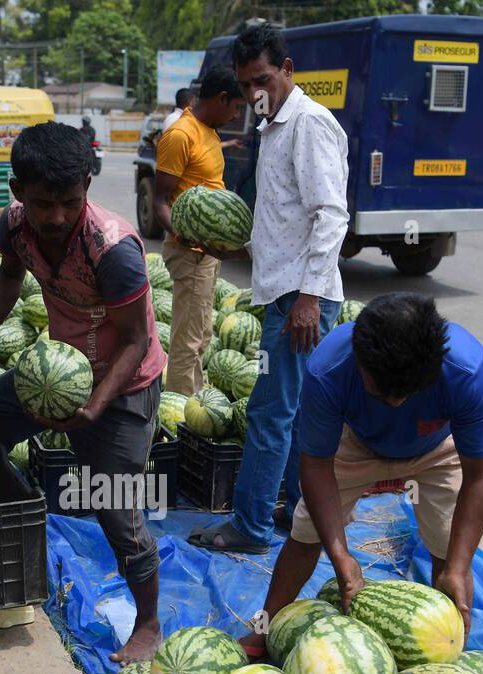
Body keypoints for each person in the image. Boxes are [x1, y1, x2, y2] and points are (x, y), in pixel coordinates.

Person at [0, 122, 167, 664]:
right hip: (59, 373)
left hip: (122, 383)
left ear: (87, 189)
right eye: (44, 203)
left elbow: (138, 339)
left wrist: (96, 407)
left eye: (69, 203)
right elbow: (8, 274)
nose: (56, 217)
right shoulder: (16, 227)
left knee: (115, 505)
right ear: (17, 189)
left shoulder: (113, 249)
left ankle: (149, 624)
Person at [239, 294, 483, 656]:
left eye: (405, 394)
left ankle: (446, 650)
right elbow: (315, 464)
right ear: (360, 362)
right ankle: (264, 627)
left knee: (448, 545)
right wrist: (340, 554)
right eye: (381, 391)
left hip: (435, 450)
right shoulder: (329, 368)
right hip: (357, 444)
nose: (394, 404)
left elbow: (482, 475)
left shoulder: (466, 372)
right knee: (305, 533)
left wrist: (458, 566)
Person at [191, 22, 350, 554]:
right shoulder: (274, 125)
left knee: (267, 413)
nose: (253, 92)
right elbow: (285, 215)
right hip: (286, 290)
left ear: (287, 70)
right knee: (295, 411)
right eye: (244, 84)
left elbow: (331, 215)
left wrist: (308, 295)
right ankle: (294, 512)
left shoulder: (309, 124)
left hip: (301, 297)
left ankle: (251, 526)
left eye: (262, 79)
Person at [153, 64, 244, 395]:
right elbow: (161, 200)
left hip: (205, 254)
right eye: (236, 106)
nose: (237, 115)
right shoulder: (180, 135)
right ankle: (179, 413)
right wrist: (186, 237)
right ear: (221, 99)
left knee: (202, 334)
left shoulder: (210, 131)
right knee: (188, 341)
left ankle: (194, 394)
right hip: (190, 253)